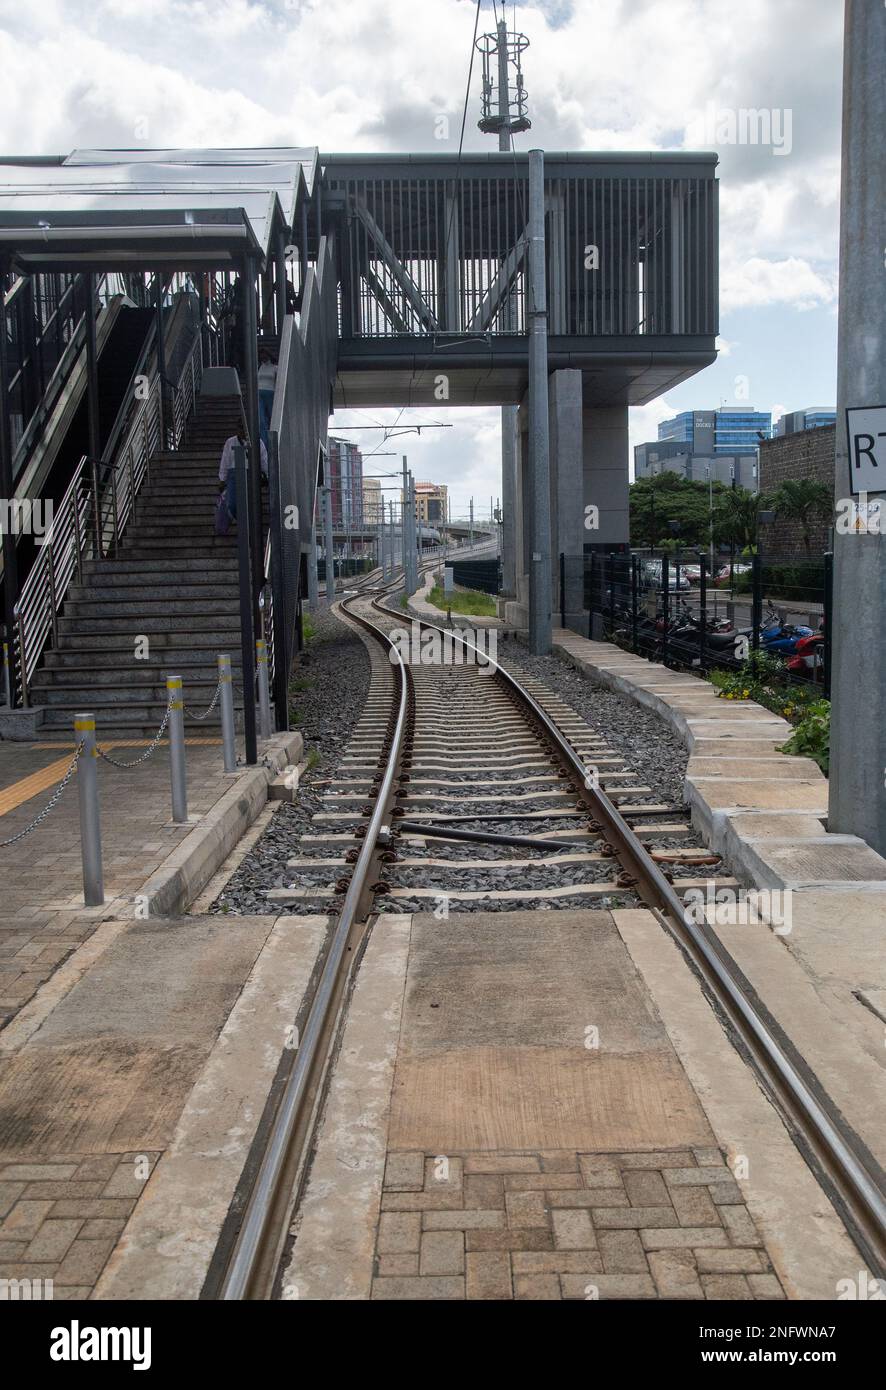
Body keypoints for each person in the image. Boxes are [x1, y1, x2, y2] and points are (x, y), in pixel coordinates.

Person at [218, 428, 268, 524]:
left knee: (250, 502)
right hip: (234, 474)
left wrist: (267, 474)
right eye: (239, 427)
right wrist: (222, 479)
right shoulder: (230, 442)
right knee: (232, 504)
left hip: (251, 474)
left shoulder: (257, 441)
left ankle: (248, 523)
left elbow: (263, 459)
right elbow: (225, 460)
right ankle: (242, 521)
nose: (242, 430)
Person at [258, 350, 277, 450]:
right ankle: (264, 442)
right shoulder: (260, 367)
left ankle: (271, 440)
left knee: (270, 417)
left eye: (264, 355)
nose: (262, 358)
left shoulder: (275, 368)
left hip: (270, 393)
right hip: (259, 393)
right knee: (261, 419)